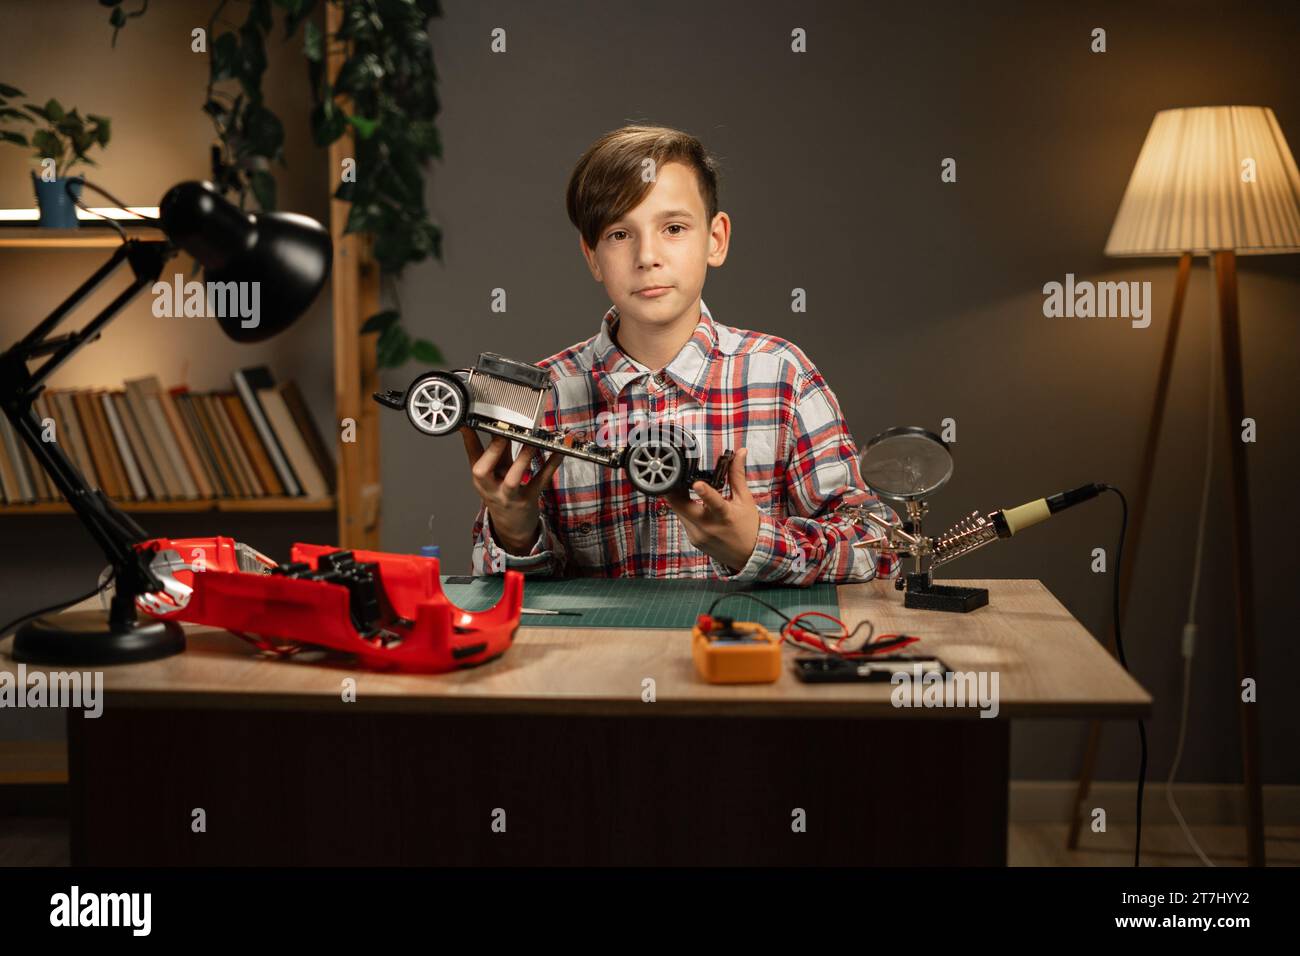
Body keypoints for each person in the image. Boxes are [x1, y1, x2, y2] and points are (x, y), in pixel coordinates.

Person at [466, 124, 899, 583]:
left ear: (715, 239)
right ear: (592, 256)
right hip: (602, 652)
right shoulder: (546, 395)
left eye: (673, 228)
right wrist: (514, 533)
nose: (647, 255)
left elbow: (876, 543)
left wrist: (757, 545)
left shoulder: (781, 377)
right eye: (618, 234)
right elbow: (492, 583)